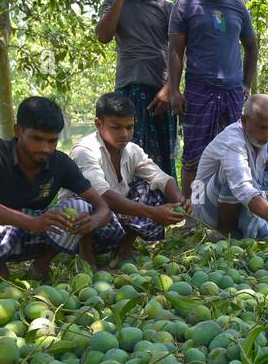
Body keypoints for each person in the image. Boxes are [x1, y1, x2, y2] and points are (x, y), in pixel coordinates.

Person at [0, 96, 120, 282]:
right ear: (18, 131)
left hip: (37, 236)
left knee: (81, 207)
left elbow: (102, 206)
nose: (45, 148)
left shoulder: (61, 163)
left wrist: (92, 222)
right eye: (37, 139)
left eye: (52, 141)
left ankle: (41, 263)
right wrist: (29, 222)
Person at [166, 0, 258, 210]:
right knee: (194, 156)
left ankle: (230, 214)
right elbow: (175, 51)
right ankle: (192, 214)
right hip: (199, 90)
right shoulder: (186, 6)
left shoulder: (238, 8)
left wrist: (246, 85)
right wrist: (174, 90)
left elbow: (252, 47)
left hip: (232, 93)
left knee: (237, 155)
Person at [70, 92, 189, 263]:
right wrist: (154, 213)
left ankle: (124, 248)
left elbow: (161, 178)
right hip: (82, 227)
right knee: (83, 202)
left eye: (129, 127)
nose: (124, 134)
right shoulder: (85, 151)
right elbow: (102, 195)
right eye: (116, 127)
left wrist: (180, 201)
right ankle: (85, 256)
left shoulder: (132, 150)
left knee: (150, 190)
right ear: (98, 123)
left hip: (115, 222)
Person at [95, 0, 177, 178]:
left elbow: (178, 51)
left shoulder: (165, 7)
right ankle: (131, 209)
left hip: (159, 90)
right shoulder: (113, 1)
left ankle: (166, 211)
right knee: (127, 153)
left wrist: (170, 87)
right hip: (127, 88)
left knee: (161, 155)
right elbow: (103, 36)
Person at [192, 94, 268, 248]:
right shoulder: (233, 141)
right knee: (232, 177)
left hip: (233, 196)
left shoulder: (257, 135)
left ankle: (251, 229)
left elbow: (256, 165)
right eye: (262, 127)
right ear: (244, 121)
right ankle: (225, 232)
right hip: (203, 204)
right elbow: (243, 188)